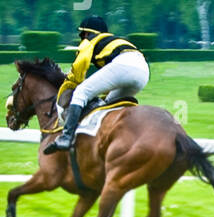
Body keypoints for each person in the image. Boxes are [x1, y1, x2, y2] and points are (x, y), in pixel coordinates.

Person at [46, 15, 148, 154]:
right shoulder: (115, 41)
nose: (82, 37)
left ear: (88, 33)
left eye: (82, 33)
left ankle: (66, 137)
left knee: (81, 92)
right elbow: (110, 79)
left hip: (124, 65)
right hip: (143, 72)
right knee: (108, 103)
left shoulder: (90, 40)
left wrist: (73, 82)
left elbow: (81, 63)